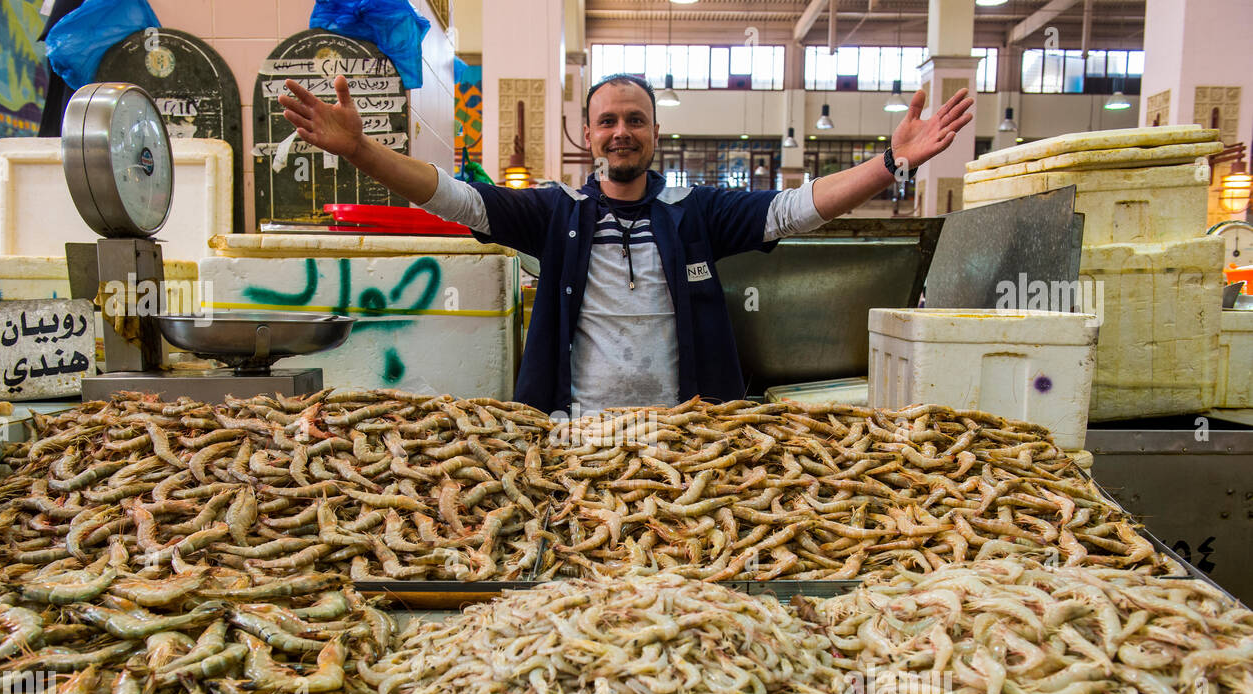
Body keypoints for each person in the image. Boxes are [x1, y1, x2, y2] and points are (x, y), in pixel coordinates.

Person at [279, 73, 973, 415]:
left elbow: (794, 209)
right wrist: (365, 153)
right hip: (577, 437)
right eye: (607, 121)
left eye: (634, 120)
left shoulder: (695, 211)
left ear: (654, 135)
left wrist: (891, 162)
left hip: (684, 438)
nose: (621, 131)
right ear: (589, 135)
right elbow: (455, 196)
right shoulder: (556, 213)